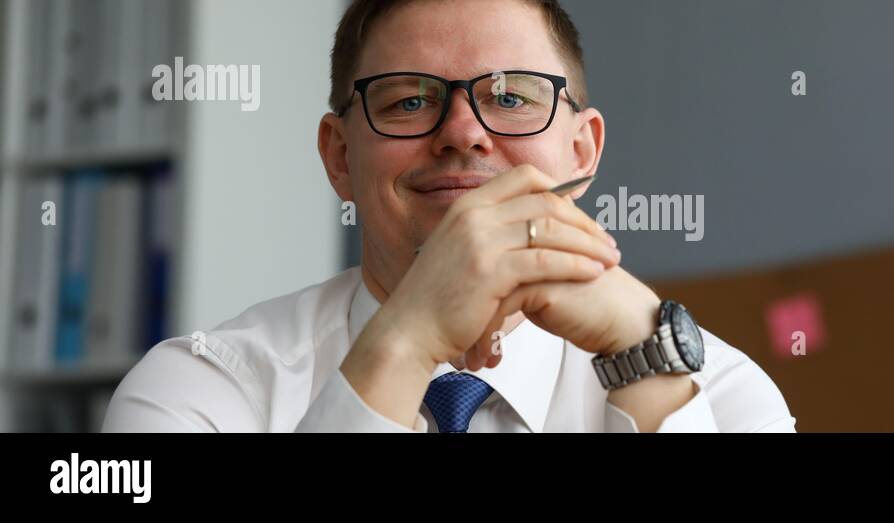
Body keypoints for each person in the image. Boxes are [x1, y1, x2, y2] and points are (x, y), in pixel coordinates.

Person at [103, 0, 795, 433]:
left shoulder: (718, 397)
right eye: (408, 101)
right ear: (339, 157)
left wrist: (646, 360)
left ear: (582, 151)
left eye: (513, 98)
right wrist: (405, 341)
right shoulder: (200, 391)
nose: (463, 132)